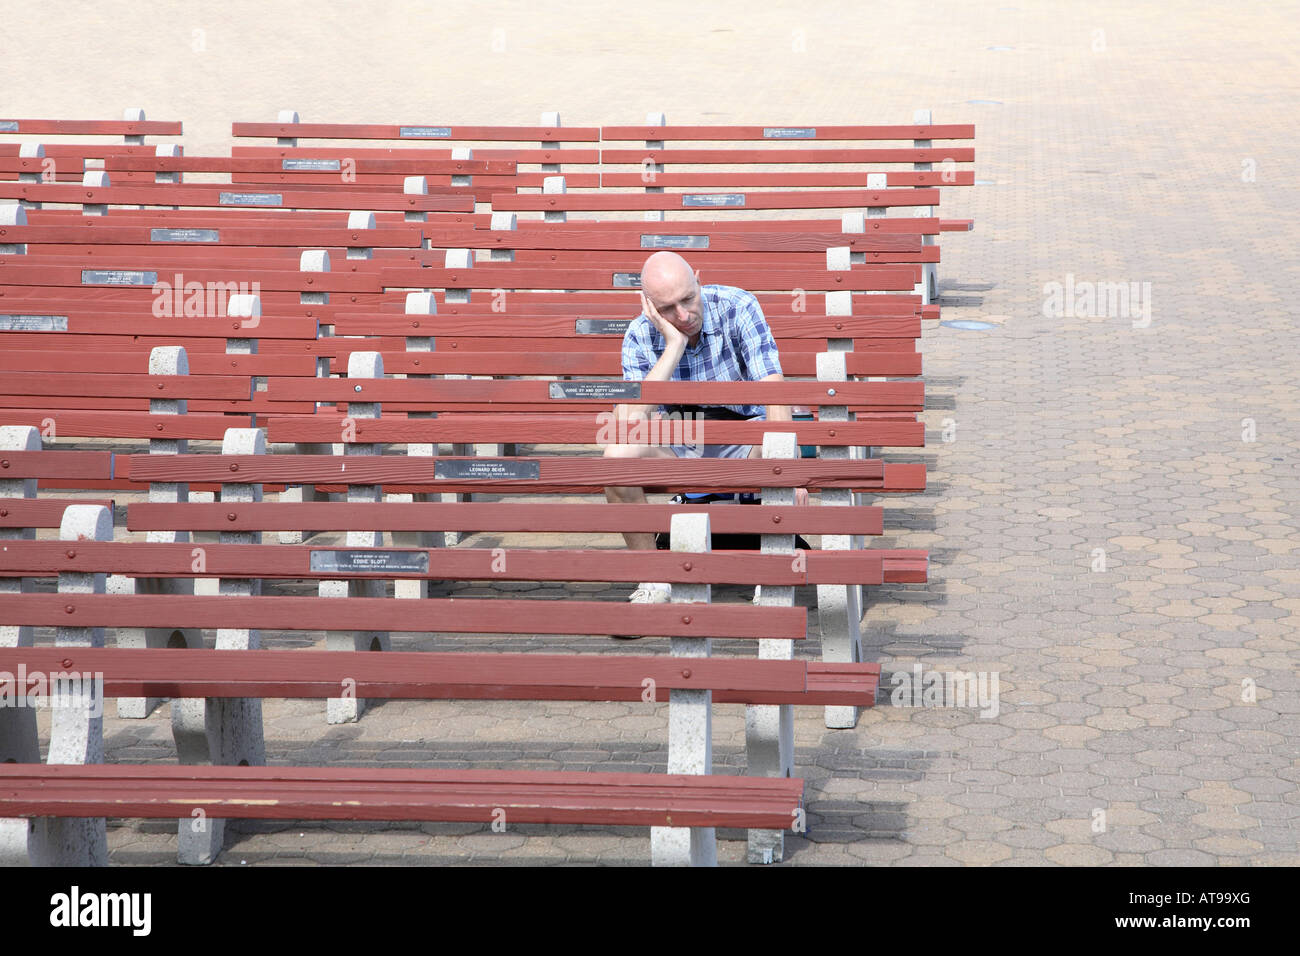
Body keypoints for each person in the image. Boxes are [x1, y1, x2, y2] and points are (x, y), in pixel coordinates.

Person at [603, 250, 804, 605]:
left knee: (774, 447)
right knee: (616, 458)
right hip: (681, 439)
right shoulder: (639, 334)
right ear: (649, 306)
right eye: (667, 309)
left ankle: (772, 576)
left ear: (699, 279)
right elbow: (626, 425)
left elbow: (773, 391)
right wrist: (673, 345)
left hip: (745, 436)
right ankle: (654, 580)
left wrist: (789, 469)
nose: (683, 315)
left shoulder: (738, 306)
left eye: (688, 299)